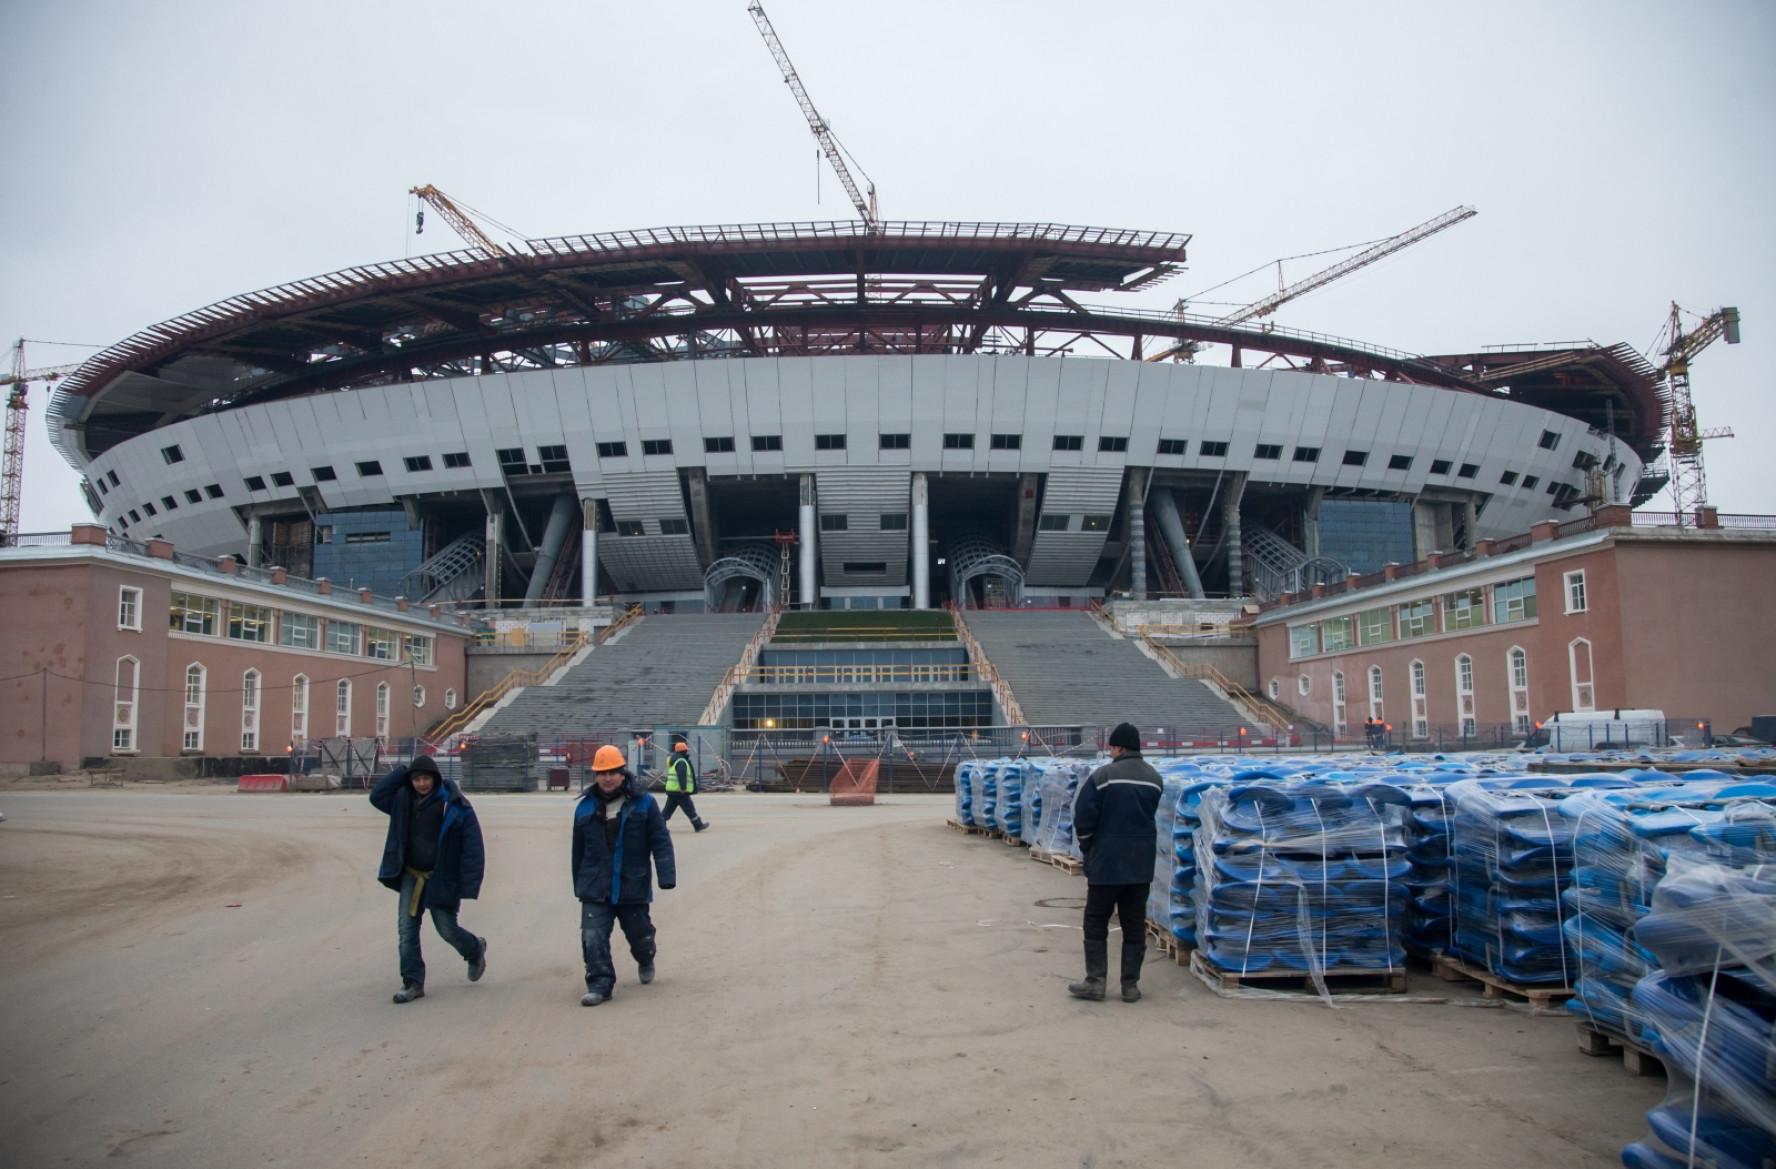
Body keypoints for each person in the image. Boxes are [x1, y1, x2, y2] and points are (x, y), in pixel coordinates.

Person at [368, 755, 487, 1004]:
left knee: (447, 930)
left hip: (441, 878)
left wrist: (468, 883)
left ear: (436, 779)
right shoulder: (402, 800)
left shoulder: (453, 805)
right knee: (406, 930)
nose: (421, 784)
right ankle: (412, 982)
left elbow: (473, 847)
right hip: (412, 875)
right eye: (416, 779)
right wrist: (403, 771)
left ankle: (475, 949)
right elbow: (376, 796)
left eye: (426, 778)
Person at [573, 744, 677, 1006]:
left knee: (640, 936)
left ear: (623, 773)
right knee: (592, 936)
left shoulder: (644, 803)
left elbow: (660, 840)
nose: (607, 778)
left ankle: (646, 957)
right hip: (596, 886)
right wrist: (580, 884)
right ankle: (599, 984)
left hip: (632, 884)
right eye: (602, 773)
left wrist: (666, 874)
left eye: (613, 772)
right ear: (595, 776)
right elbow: (578, 852)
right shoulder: (584, 808)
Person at [1069, 722, 1163, 1003]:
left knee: (1096, 921)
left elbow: (1083, 818)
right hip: (1140, 865)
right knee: (1134, 924)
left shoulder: (1103, 777)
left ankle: (1096, 982)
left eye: (1111, 747)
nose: (1110, 752)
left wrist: (1088, 848)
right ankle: (1130, 986)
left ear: (1119, 747)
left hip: (1107, 864)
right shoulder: (1154, 779)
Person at [662, 738, 710, 832]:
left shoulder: (674, 760)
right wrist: (683, 787)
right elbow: (681, 775)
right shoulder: (681, 761)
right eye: (686, 750)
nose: (687, 751)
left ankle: (659, 827)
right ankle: (698, 825)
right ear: (683, 751)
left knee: (667, 811)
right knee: (689, 808)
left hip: (673, 790)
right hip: (679, 790)